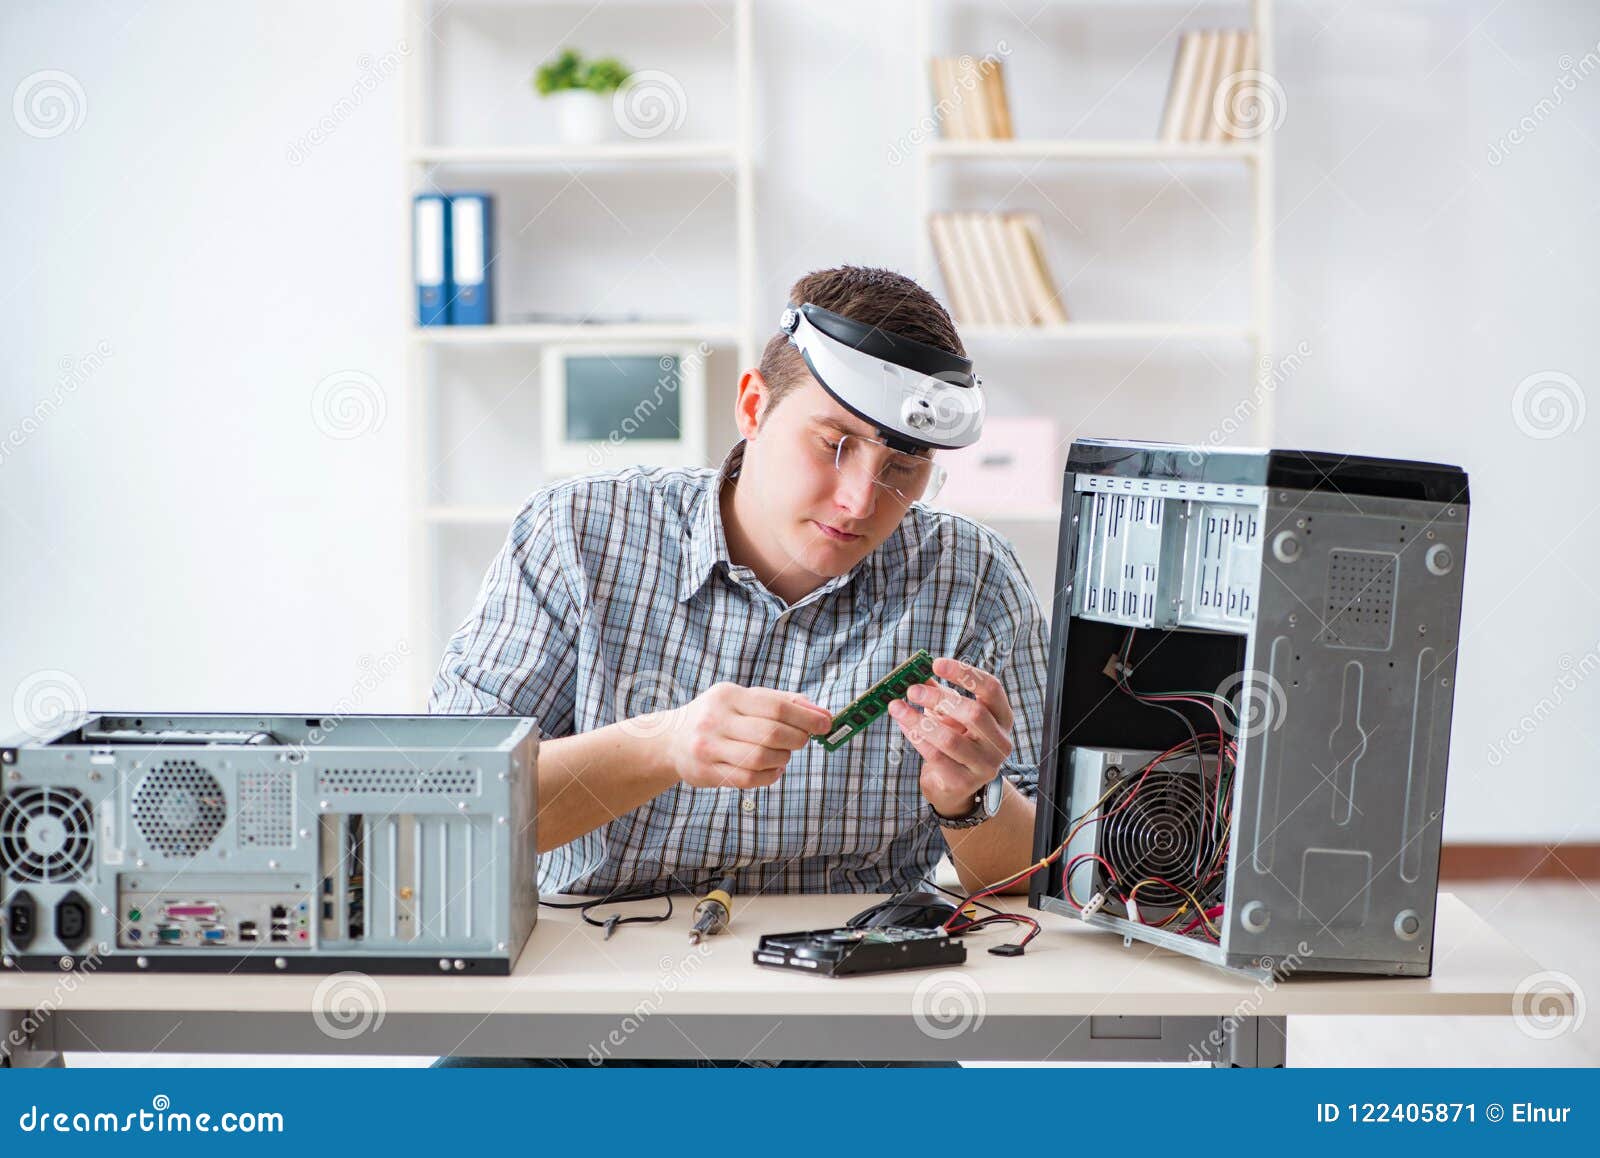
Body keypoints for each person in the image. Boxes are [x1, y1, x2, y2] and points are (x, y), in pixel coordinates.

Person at [429, 265, 1051, 1066]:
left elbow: (1040, 883)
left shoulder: (974, 580)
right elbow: (453, 817)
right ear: (753, 405)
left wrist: (969, 800)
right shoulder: (577, 533)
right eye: (835, 445)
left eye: (904, 465)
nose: (863, 500)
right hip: (581, 1005)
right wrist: (661, 747)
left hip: (851, 1021)